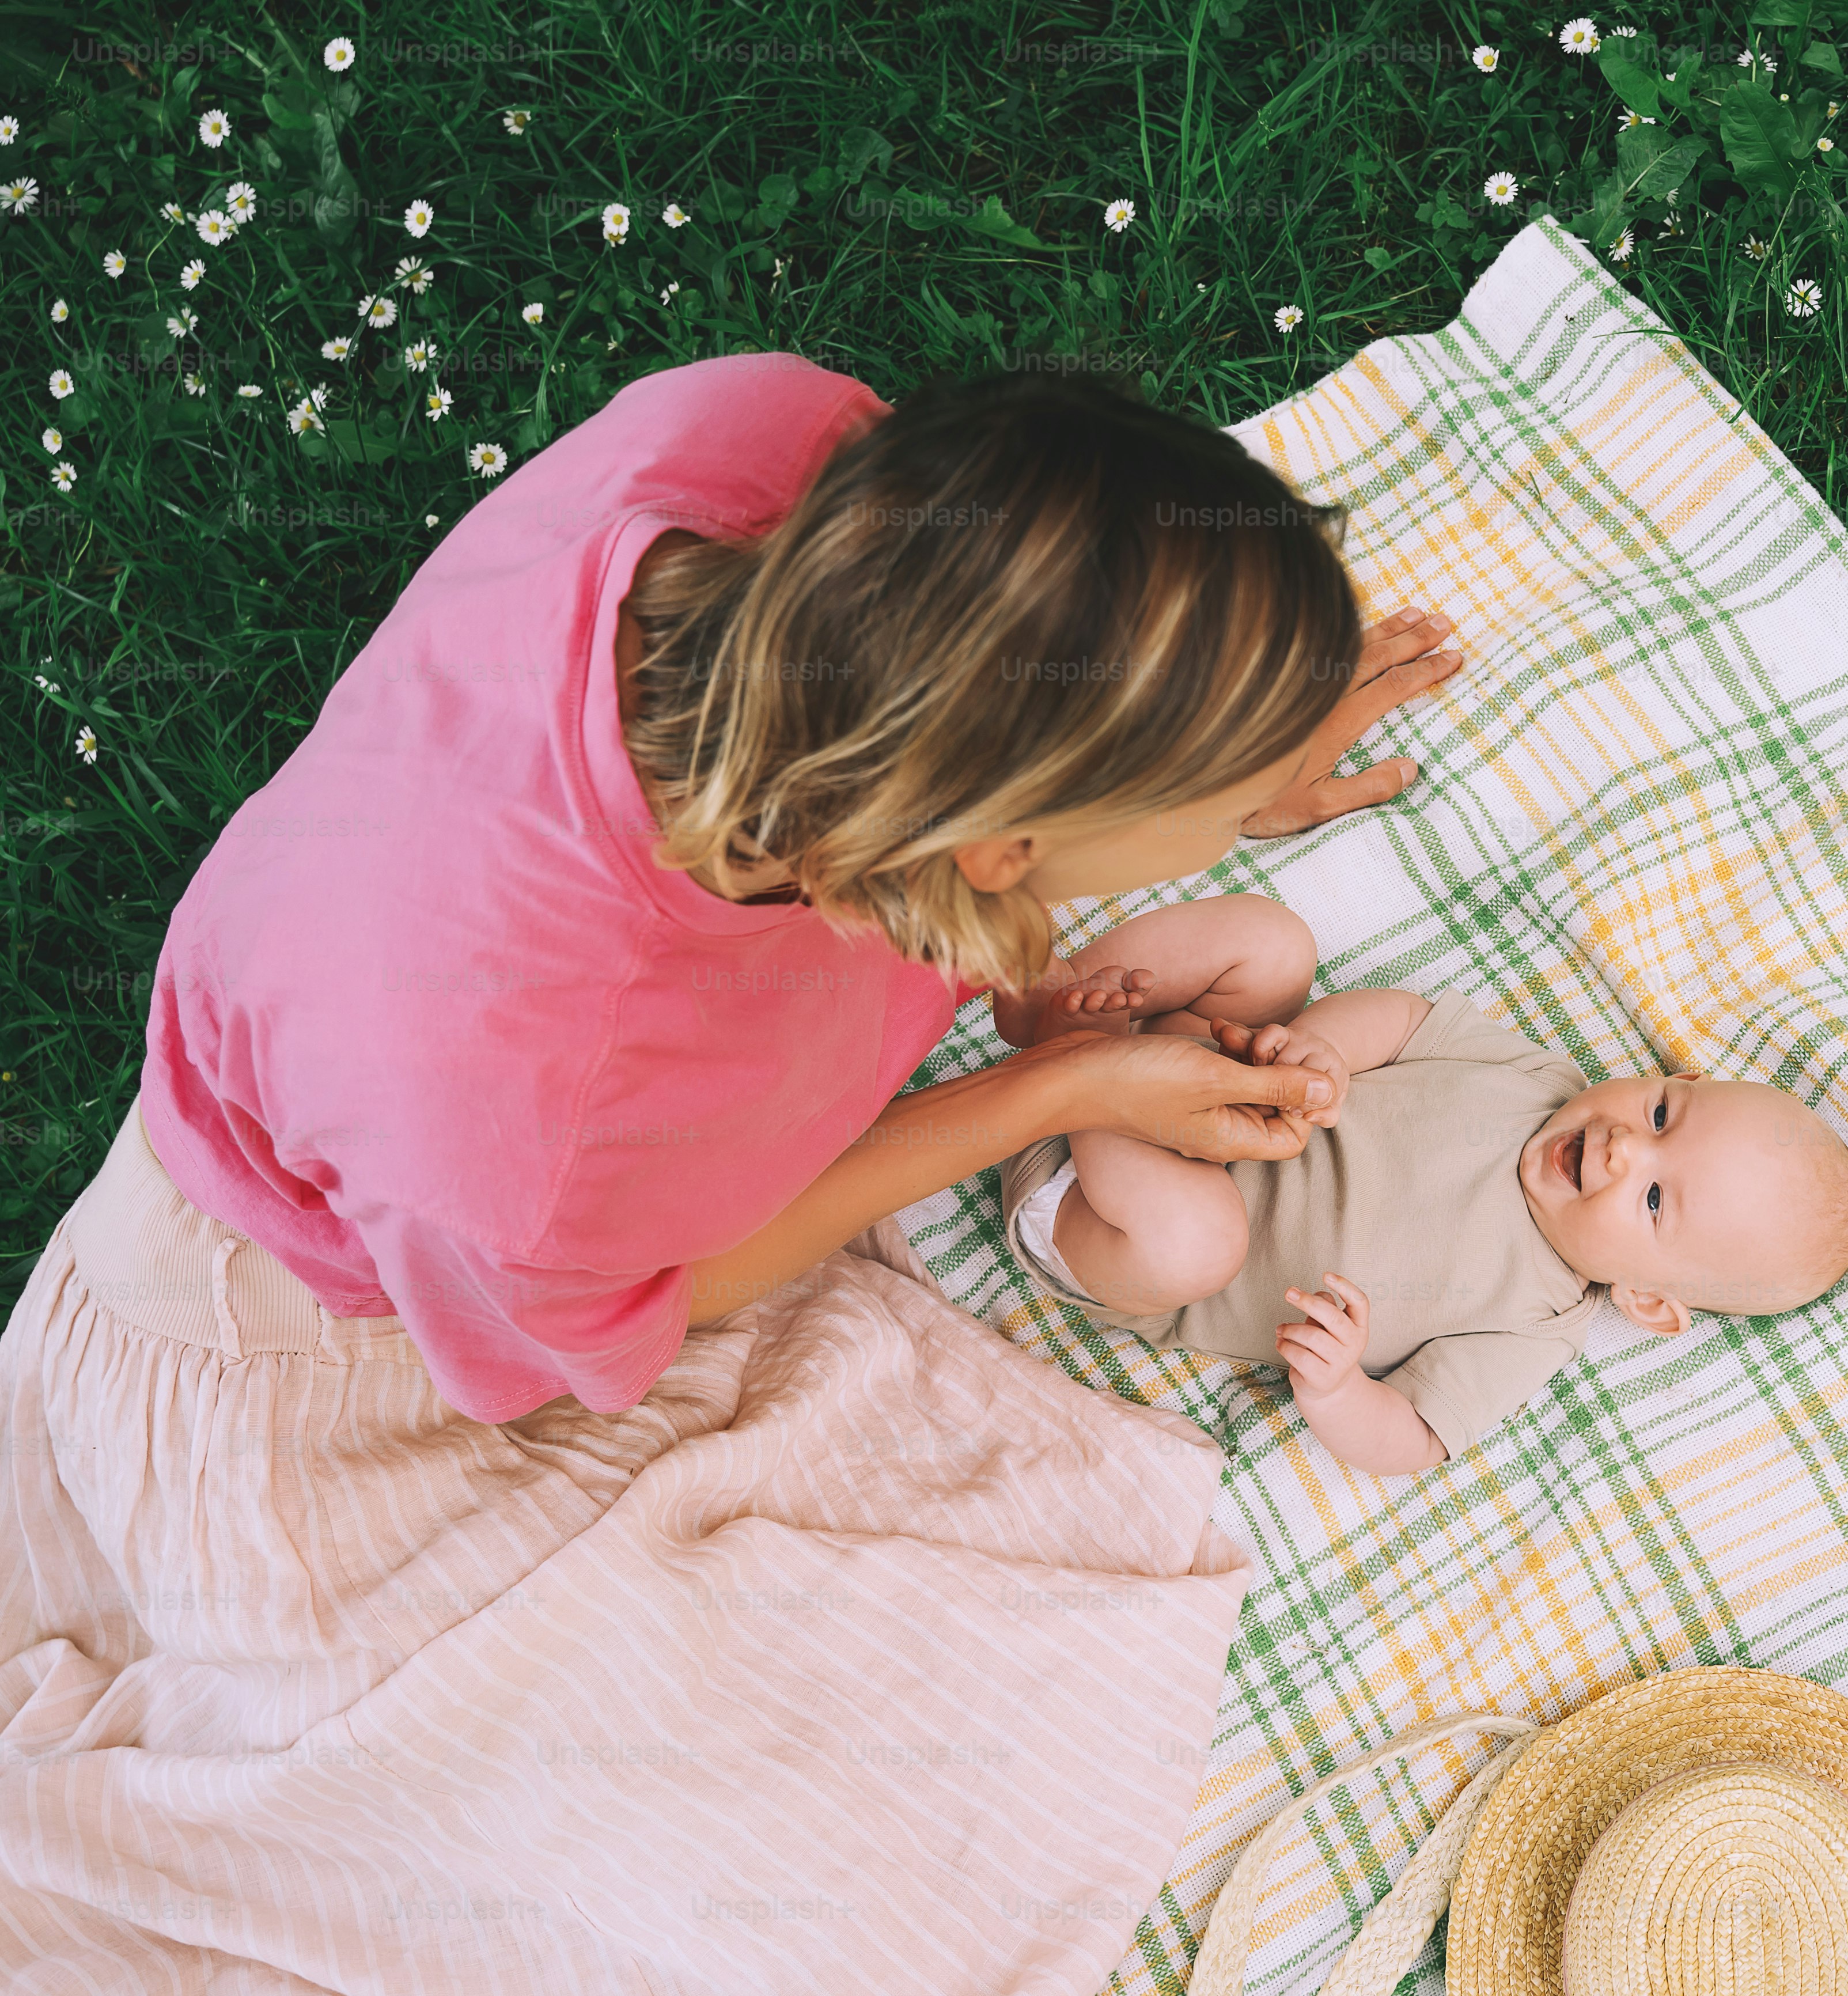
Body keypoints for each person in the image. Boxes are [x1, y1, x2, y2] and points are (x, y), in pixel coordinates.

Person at [107, 353, 1465, 1421]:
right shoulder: (539, 1127)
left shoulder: (770, 439)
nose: (1249, 807)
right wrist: (1061, 1090)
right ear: (999, 853)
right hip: (323, 1197)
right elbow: (660, 1297)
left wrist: (1221, 726)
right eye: (1225, 804)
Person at [985, 899, 1848, 1476]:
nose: (1618, 1149)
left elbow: (1414, 1437)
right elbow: (1408, 1021)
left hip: (1101, 1215)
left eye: (1652, 1201)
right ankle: (1049, 1009)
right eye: (1664, 1113)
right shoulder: (1539, 1078)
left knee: (1203, 1238)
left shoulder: (1533, 1322)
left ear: (1645, 1299)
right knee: (1272, 944)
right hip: (1203, 1072)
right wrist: (1322, 1051)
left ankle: (1076, 1070)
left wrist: (1338, 1391)